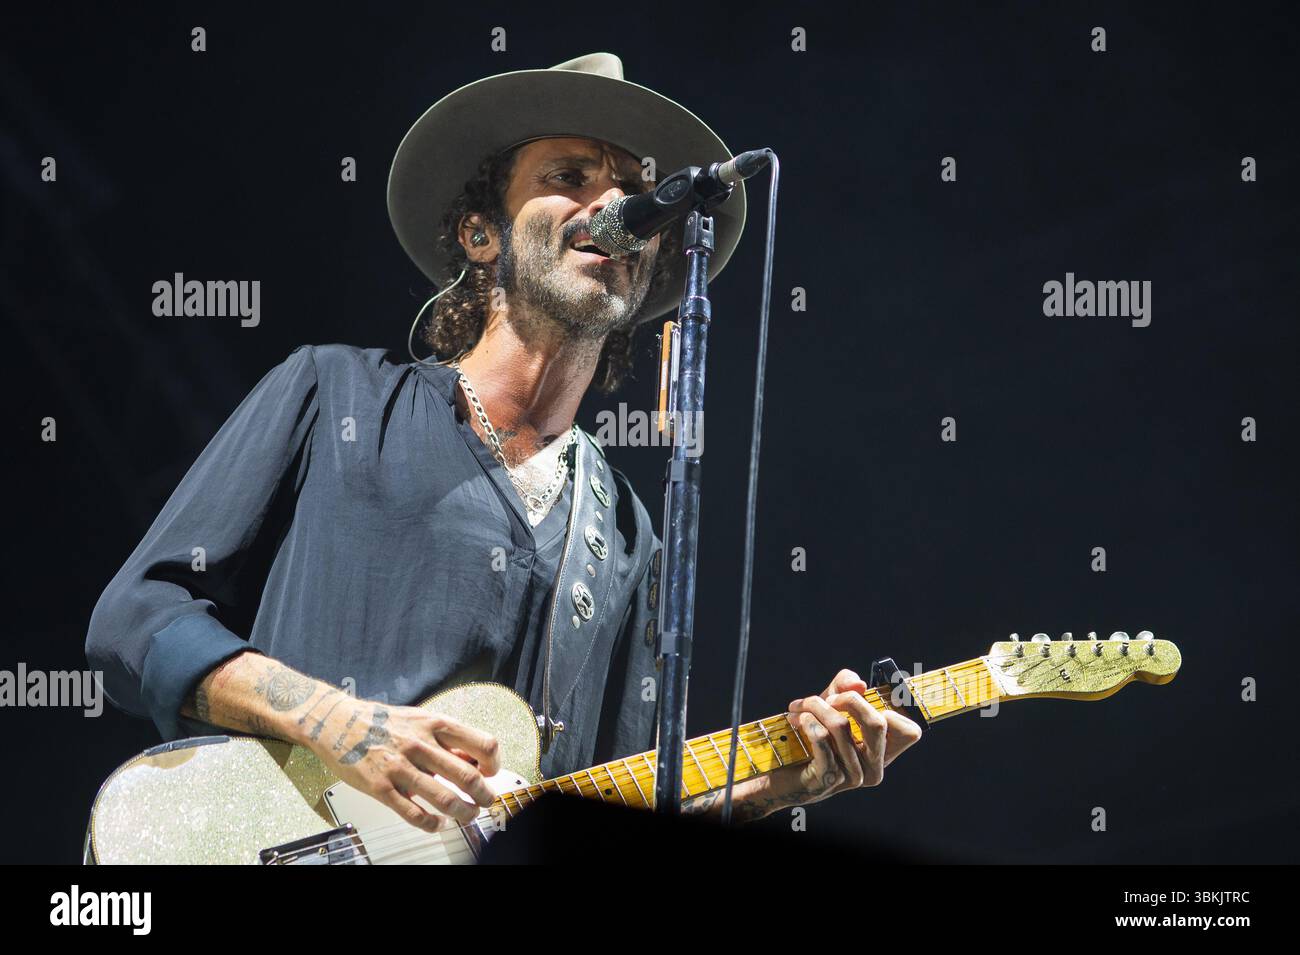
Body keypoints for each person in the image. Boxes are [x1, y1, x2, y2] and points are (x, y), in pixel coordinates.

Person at [86, 52, 921, 835]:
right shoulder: (331, 393)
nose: (613, 203)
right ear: (483, 235)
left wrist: (779, 786)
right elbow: (136, 619)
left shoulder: (628, 534)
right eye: (569, 177)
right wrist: (343, 722)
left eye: (633, 186)